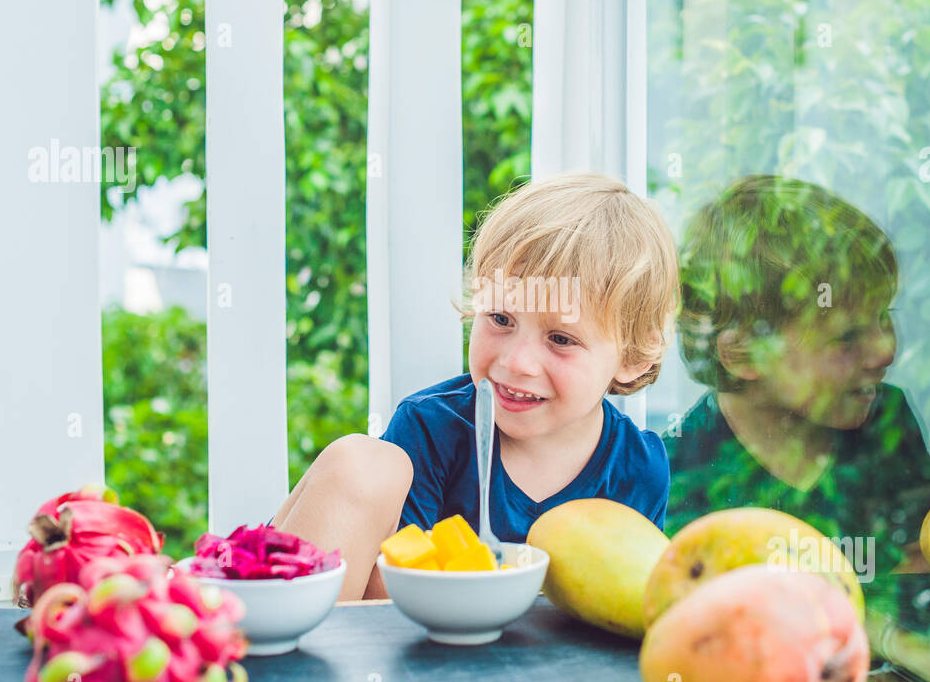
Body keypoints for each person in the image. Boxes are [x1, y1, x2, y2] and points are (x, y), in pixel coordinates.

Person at [272, 172, 681, 600]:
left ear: (634, 358)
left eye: (561, 339)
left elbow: (627, 605)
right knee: (362, 461)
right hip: (420, 652)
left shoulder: (638, 467)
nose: (515, 362)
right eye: (501, 319)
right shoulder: (432, 430)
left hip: (540, 665)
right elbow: (385, 603)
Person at [664, 174, 930, 597]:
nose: (885, 350)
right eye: (846, 337)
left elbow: (919, 567)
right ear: (744, 354)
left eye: (884, 316)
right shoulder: (677, 477)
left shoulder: (888, 420)